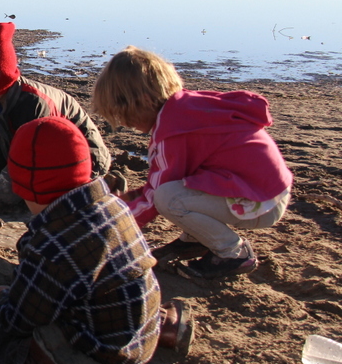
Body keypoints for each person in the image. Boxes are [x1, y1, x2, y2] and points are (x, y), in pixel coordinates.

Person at [0, 116, 192, 364]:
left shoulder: (53, 244)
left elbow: (19, 319)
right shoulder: (112, 204)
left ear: (26, 188)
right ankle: (167, 327)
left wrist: (2, 301)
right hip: (141, 326)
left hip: (107, 350)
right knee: (105, 283)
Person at [91, 46, 293, 280]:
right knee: (177, 190)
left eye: (124, 115)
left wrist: (110, 227)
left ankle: (233, 253)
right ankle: (195, 239)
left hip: (261, 203)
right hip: (267, 189)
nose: (126, 124)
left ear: (143, 101)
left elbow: (154, 195)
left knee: (169, 198)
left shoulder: (174, 132)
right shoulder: (188, 109)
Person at [0, 22, 111, 219]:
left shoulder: (34, 105)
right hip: (44, 156)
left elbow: (27, 161)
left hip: (84, 160)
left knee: (52, 208)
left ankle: (106, 187)